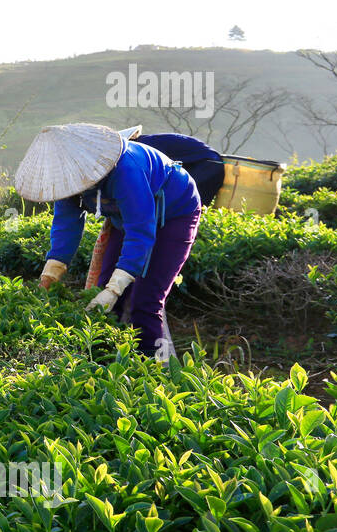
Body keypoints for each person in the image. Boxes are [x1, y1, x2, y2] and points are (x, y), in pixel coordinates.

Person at [16, 123, 201, 357]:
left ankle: (152, 372)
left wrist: (115, 289)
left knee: (146, 301)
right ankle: (104, 362)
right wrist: (50, 274)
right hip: (126, 216)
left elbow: (140, 231)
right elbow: (66, 226)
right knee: (101, 295)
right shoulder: (67, 180)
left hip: (175, 213)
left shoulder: (126, 170)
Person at [122, 125, 227, 206]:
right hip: (204, 164)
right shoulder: (147, 142)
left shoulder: (144, 146)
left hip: (207, 164)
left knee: (188, 203)